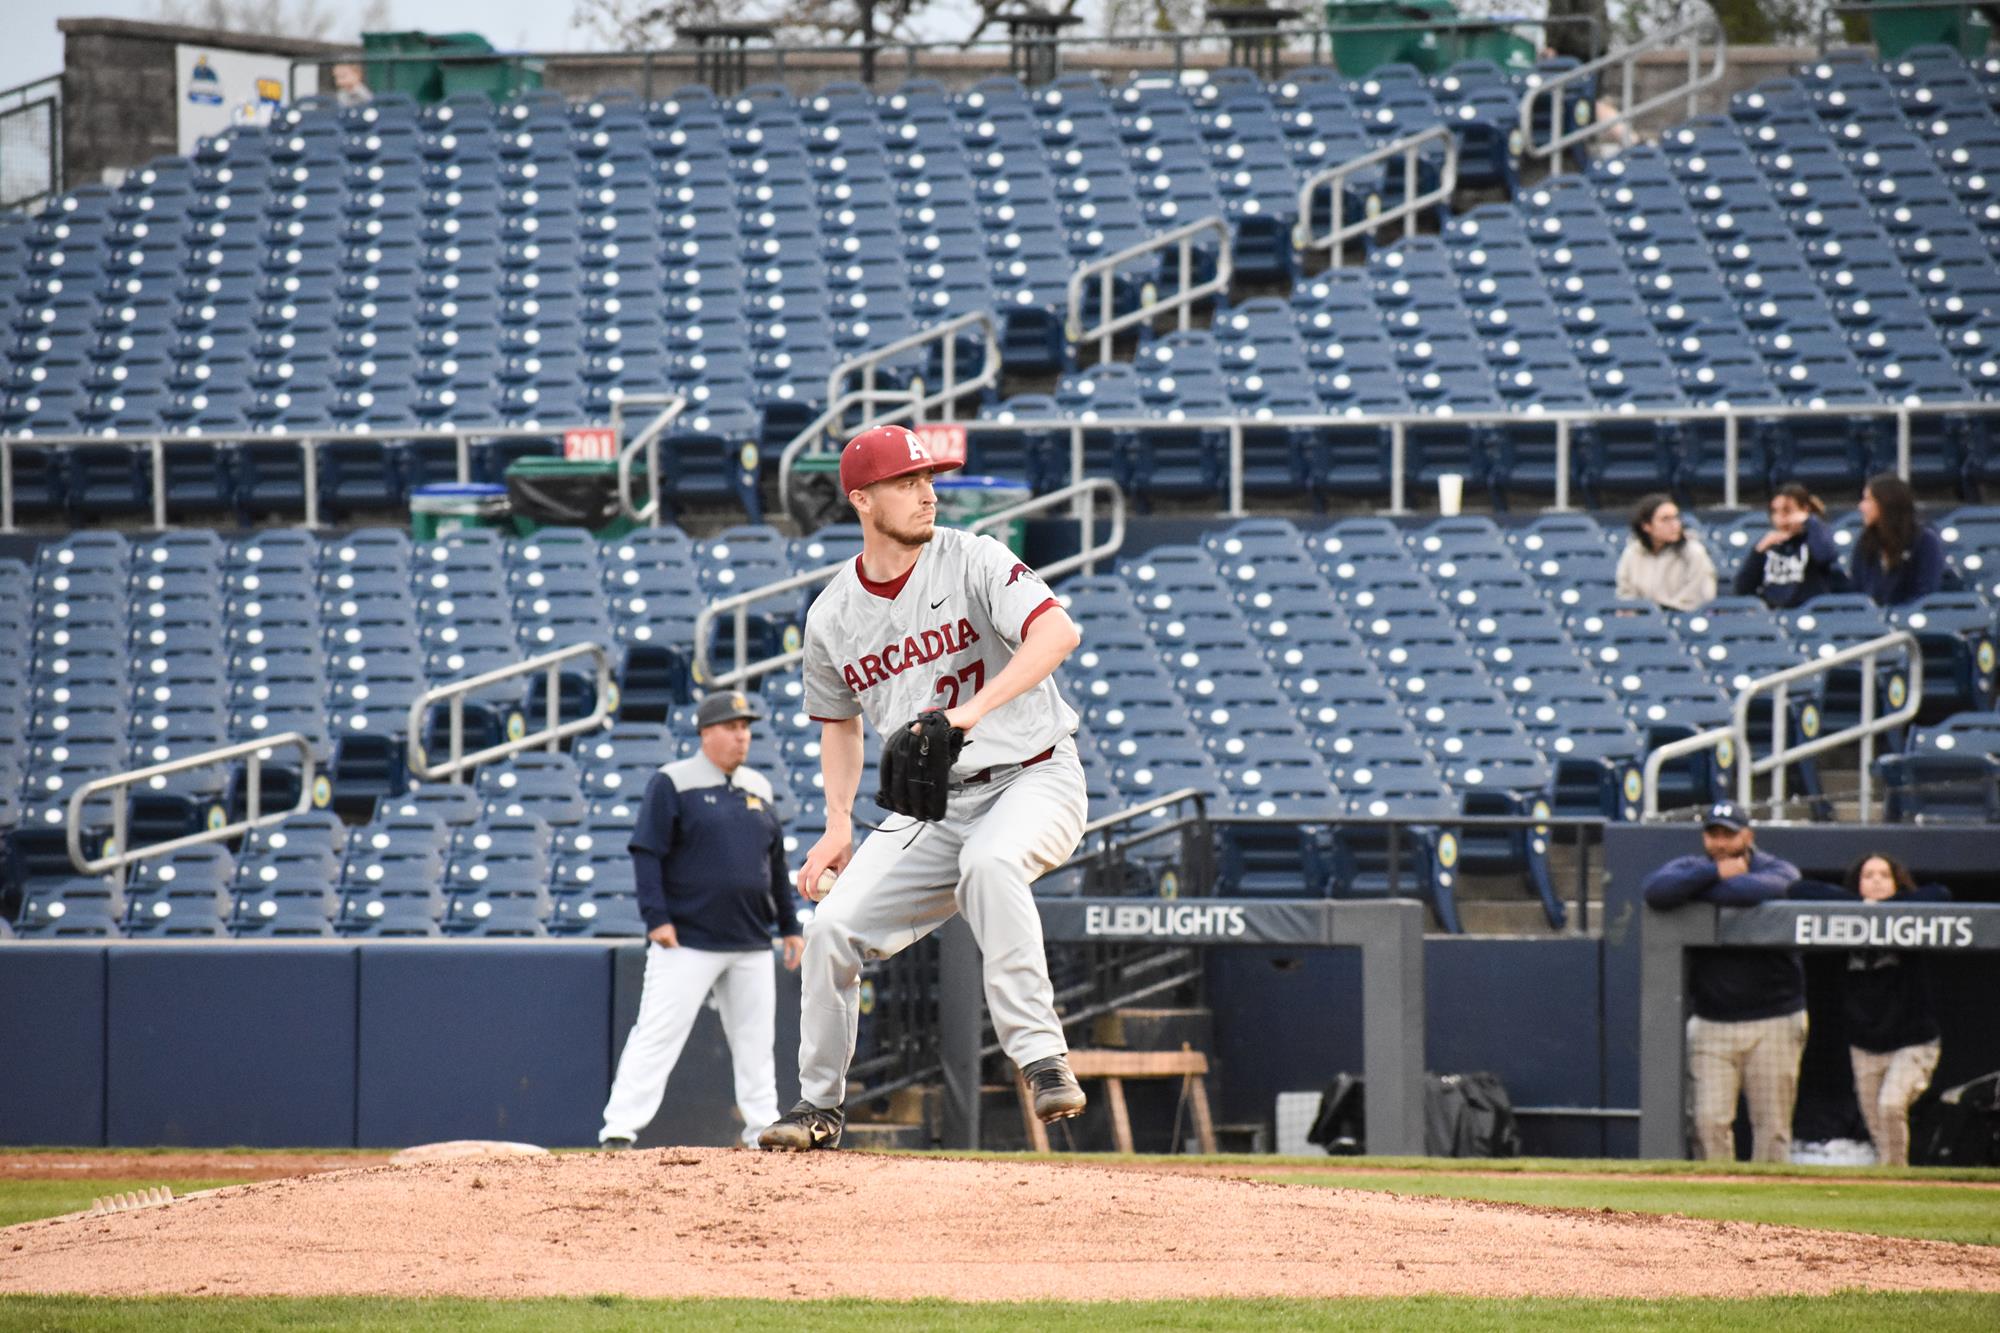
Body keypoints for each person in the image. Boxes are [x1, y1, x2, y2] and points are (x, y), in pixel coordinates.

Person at [759, 424, 1091, 1151]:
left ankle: (1040, 1057)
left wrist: (967, 714)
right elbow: (839, 725)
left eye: (928, 477)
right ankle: (819, 1109)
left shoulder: (973, 557)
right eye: (906, 482)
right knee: (832, 931)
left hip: (1034, 774)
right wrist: (839, 823)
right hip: (933, 808)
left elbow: (1057, 634)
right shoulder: (831, 615)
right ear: (861, 499)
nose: (927, 491)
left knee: (992, 863)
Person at [599, 690, 805, 1150]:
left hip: (751, 938)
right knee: (657, 1033)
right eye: (732, 726)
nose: (742, 735)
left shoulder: (759, 786)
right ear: (706, 732)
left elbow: (774, 864)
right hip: (687, 939)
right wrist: (656, 917)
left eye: (746, 727)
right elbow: (646, 852)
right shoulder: (672, 781)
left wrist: (789, 926)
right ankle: (619, 1128)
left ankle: (761, 1129)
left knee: (756, 1043)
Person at [1642, 801, 1807, 1162]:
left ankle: (1773, 1213)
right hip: (1713, 1021)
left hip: (1774, 1019)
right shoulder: (1696, 868)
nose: (1720, 843)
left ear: (1748, 835)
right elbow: (1656, 890)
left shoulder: (1774, 866)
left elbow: (1774, 887)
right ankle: (1715, 1209)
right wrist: (1716, 874)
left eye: (1728, 835)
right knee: (1708, 1124)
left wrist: (1703, 890)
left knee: (1772, 1126)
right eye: (1713, 834)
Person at [1790, 854, 1950, 1166]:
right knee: (1876, 1122)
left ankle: (1898, 1179)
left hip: (1912, 1041)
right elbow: (1799, 889)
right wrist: (1858, 906)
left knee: (1891, 1106)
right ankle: (1892, 1179)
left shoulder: (1913, 912)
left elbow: (1941, 893)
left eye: (1883, 875)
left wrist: (1887, 908)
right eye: (1868, 875)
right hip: (1864, 1043)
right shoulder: (1848, 913)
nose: (1876, 880)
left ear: (1896, 882)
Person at [1732, 483, 1846, 609]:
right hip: (1772, 616)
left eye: (1787, 511)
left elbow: (1825, 556)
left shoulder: (1816, 536)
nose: (1780, 518)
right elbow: (1742, 589)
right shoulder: (1767, 544)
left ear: (1804, 510)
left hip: (1811, 612)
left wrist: (1810, 522)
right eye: (1775, 512)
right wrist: (1758, 551)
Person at [1849, 473, 1946, 607]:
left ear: (1886, 503)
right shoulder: (1866, 541)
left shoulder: (1925, 541)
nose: (1861, 506)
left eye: (1868, 500)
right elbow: (1857, 592)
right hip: (1869, 625)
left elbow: (1925, 593)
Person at [1617, 493, 1718, 610]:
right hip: (1642, 620)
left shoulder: (1694, 552)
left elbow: (1700, 595)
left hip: (1684, 618)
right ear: (1646, 526)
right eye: (1665, 519)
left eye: (1676, 518)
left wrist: (1665, 613)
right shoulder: (1632, 553)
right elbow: (1626, 592)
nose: (1675, 525)